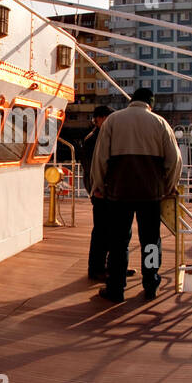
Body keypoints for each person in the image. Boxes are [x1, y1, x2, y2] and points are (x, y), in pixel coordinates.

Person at [88, 88, 182, 301]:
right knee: (150, 241)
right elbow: (174, 161)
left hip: (119, 193)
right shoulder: (160, 123)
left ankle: (116, 287)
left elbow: (100, 158)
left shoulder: (113, 121)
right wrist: (167, 186)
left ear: (132, 100)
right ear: (151, 103)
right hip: (151, 194)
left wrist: (99, 185)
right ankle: (151, 283)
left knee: (118, 242)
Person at [73, 105, 117, 284]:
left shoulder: (100, 136)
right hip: (99, 191)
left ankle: (112, 266)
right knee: (101, 231)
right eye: (107, 118)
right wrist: (97, 188)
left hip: (104, 189)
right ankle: (96, 268)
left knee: (110, 231)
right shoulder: (94, 139)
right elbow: (92, 167)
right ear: (98, 119)